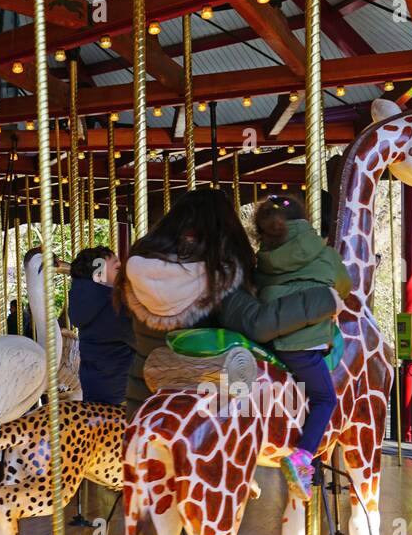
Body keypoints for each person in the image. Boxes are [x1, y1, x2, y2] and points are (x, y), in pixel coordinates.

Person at [116, 188, 340, 417]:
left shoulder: (139, 274)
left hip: (146, 408)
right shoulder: (219, 280)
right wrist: (322, 300)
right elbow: (258, 324)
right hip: (199, 416)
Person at [251, 193, 351, 500]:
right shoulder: (325, 254)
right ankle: (304, 457)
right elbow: (345, 287)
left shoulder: (263, 259)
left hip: (266, 341)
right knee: (325, 398)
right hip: (302, 347)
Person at [67, 246, 133, 405]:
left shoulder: (82, 301)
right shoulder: (113, 305)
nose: (121, 267)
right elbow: (140, 339)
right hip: (121, 387)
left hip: (93, 385)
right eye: (116, 266)